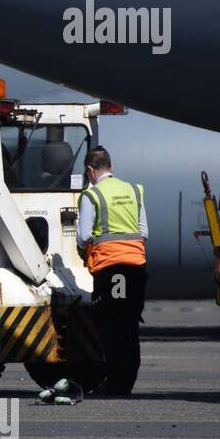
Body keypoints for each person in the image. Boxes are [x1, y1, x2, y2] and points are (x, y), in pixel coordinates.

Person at [77, 146, 148, 394]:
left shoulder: (92, 195)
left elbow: (84, 235)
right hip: (137, 268)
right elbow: (144, 232)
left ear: (90, 170)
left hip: (110, 270)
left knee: (110, 326)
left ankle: (115, 382)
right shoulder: (134, 191)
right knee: (129, 325)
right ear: (112, 166)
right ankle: (125, 381)